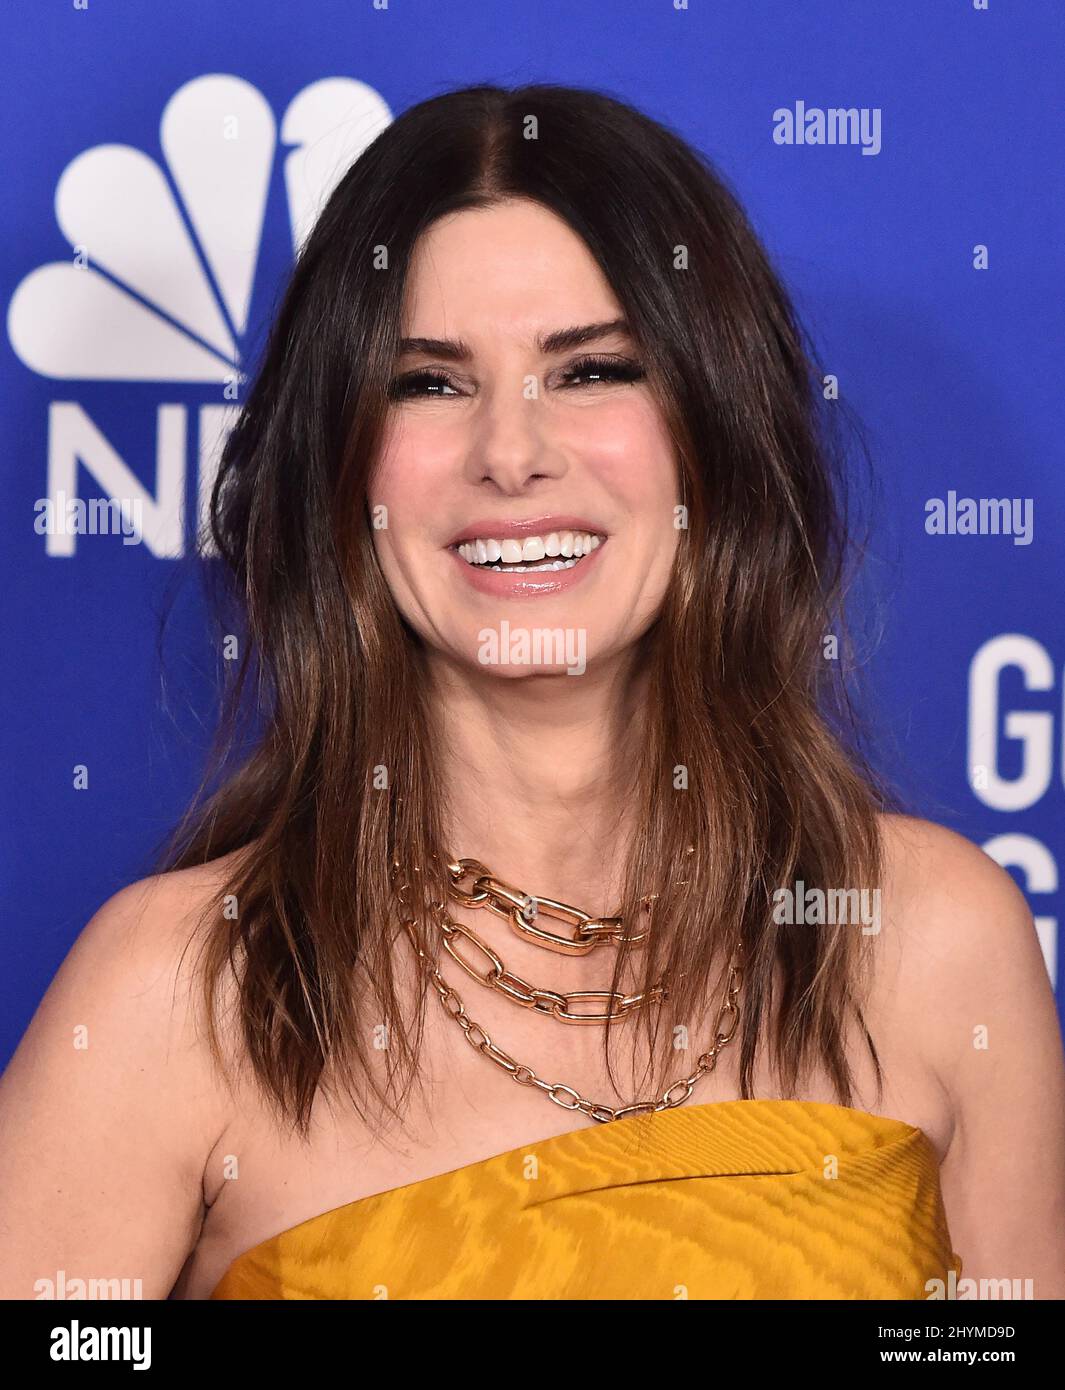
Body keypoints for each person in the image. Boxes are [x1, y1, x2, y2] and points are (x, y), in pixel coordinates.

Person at [2, 83, 1063, 1301]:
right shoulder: (183, 992)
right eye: (429, 384)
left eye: (594, 369)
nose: (511, 452)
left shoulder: (935, 942)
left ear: (715, 432)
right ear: (343, 472)